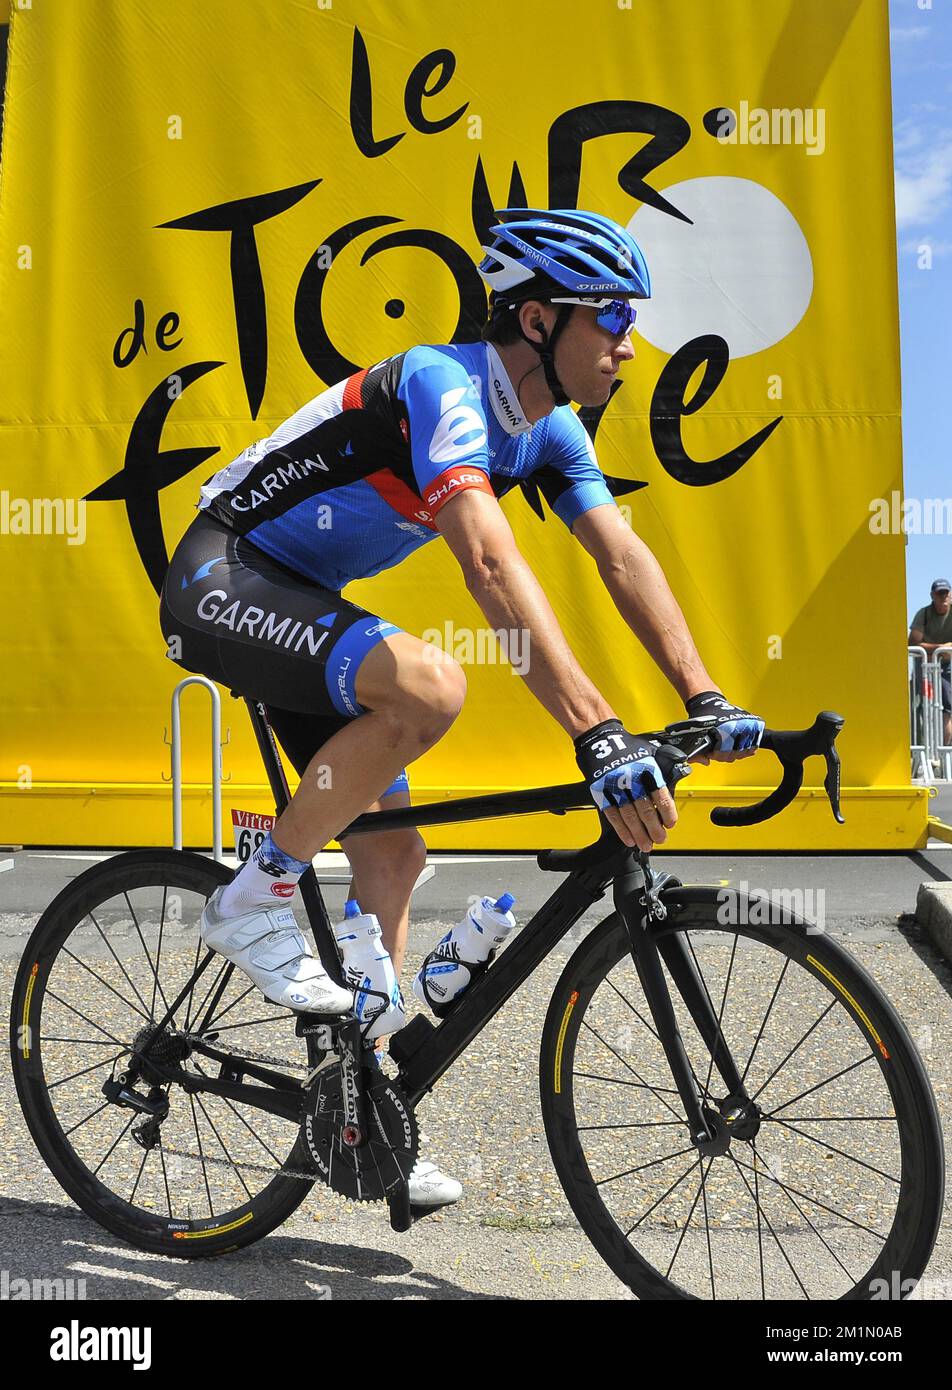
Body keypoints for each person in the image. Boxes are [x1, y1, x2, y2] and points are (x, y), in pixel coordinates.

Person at [159, 207, 765, 1205]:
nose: (627, 342)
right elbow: (487, 560)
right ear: (535, 320)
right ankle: (253, 895)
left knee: (395, 856)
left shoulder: (552, 430)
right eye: (609, 316)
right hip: (222, 576)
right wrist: (596, 732)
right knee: (433, 684)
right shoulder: (444, 385)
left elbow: (621, 557)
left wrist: (701, 690)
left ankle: (354, 1120)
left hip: (300, 603)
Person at [909, 579, 952, 749]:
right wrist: (940, 648)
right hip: (925, 667)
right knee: (924, 706)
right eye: (940, 593)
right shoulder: (924, 614)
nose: (943, 597)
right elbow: (913, 643)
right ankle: (924, 748)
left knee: (947, 706)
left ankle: (945, 751)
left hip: (947, 666)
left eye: (946, 593)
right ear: (932, 595)